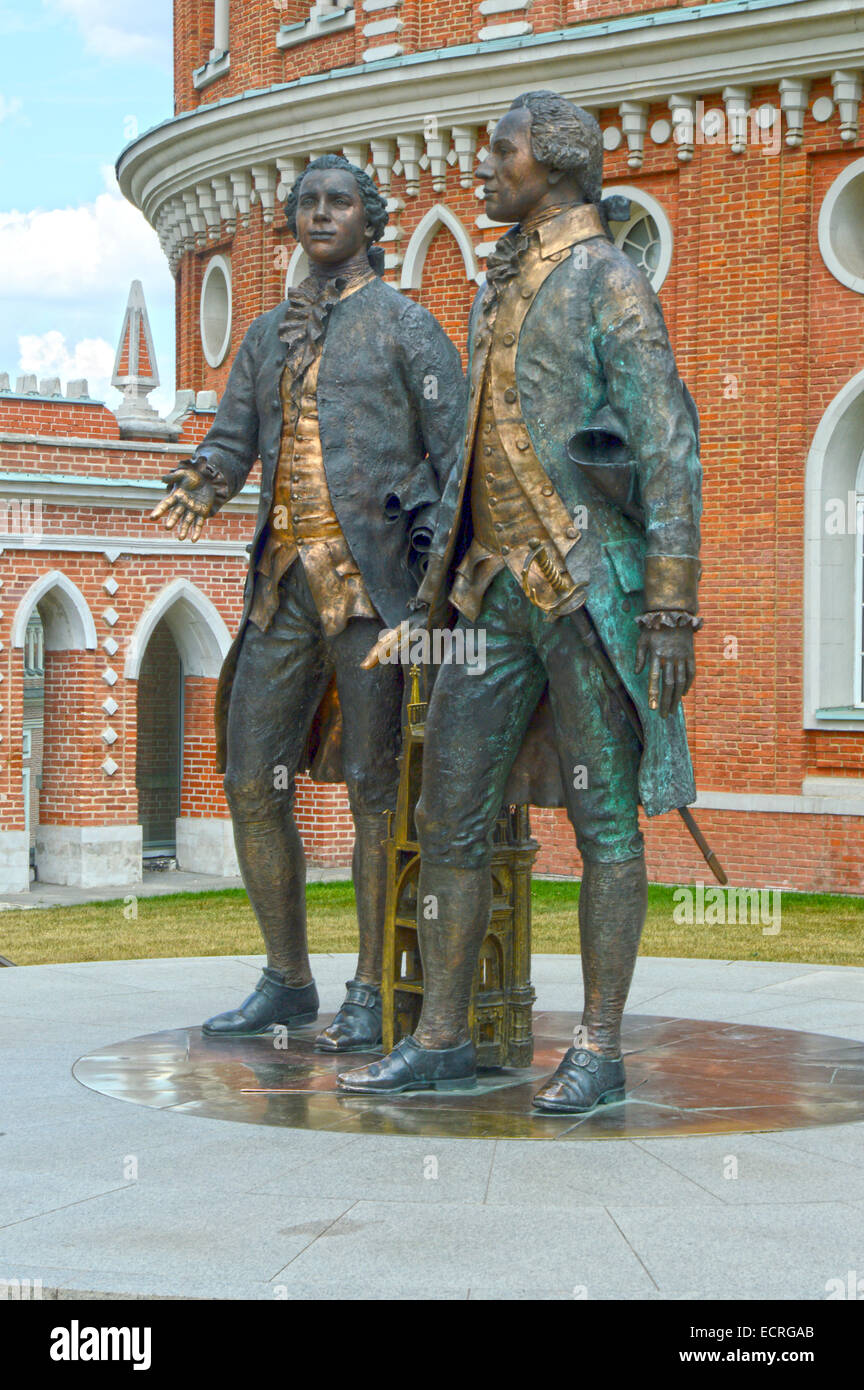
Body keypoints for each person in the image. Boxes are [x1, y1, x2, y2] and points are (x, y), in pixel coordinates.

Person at [339, 93, 702, 1111]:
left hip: (585, 594)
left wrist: (671, 608)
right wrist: (426, 600)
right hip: (488, 593)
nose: (484, 167)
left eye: (502, 151)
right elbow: (468, 460)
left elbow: (669, 443)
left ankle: (598, 1047)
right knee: (448, 810)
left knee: (606, 824)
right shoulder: (493, 288)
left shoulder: (609, 279)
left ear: (558, 164)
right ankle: (443, 1035)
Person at [151, 155, 465, 1052]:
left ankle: (370, 989)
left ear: (370, 219)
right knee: (251, 777)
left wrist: (433, 596)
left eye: (338, 203)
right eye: (307, 205)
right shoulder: (265, 336)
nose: (320, 216)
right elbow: (230, 443)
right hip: (282, 588)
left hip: (375, 599)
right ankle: (287, 979)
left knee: (375, 793)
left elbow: (454, 466)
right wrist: (203, 483)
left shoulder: (407, 327)